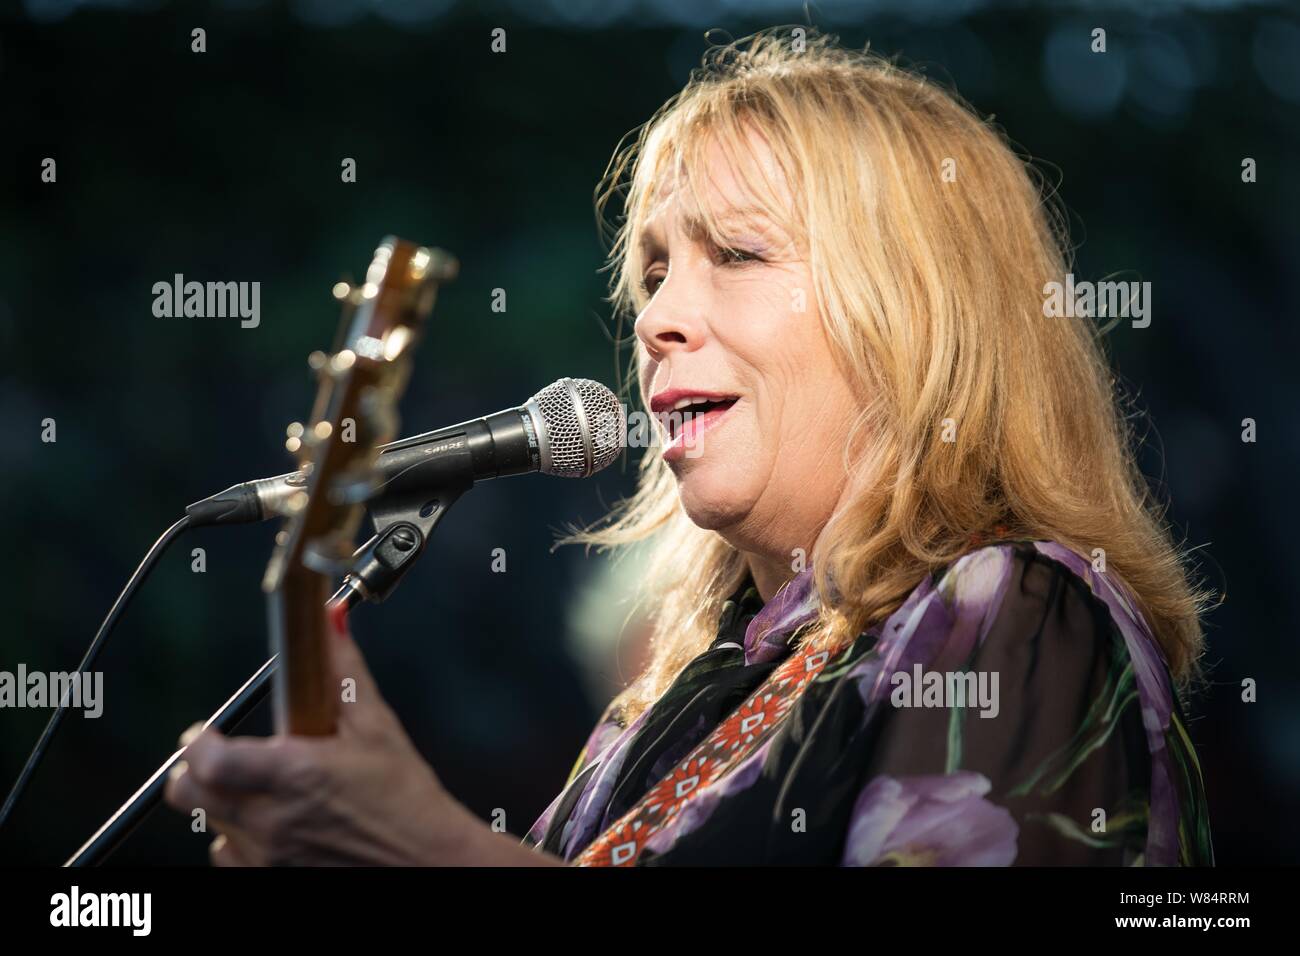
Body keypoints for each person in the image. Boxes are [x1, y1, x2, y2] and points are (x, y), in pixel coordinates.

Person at [164, 28, 1214, 866]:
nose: (660, 315)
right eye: (653, 272)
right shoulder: (673, 701)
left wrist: (429, 845)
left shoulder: (1012, 608)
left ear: (922, 317)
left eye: (737, 253)